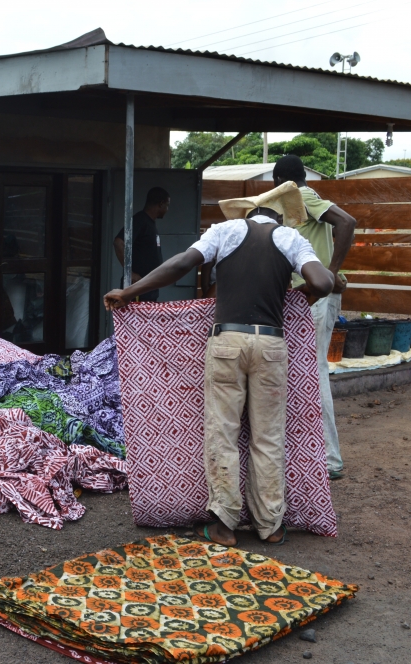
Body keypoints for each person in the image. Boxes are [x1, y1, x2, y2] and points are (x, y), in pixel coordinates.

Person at [104, 182, 334, 547]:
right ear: (279, 216)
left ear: (248, 211)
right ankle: (270, 524)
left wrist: (128, 292)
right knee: (268, 436)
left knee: (223, 432)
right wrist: (309, 292)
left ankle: (224, 524)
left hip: (227, 342)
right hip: (272, 344)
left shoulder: (225, 231)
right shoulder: (291, 239)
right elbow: (323, 280)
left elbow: (180, 264)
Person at [271, 155, 356, 481]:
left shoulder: (301, 197)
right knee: (305, 371)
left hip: (317, 297)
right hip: (307, 298)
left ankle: (331, 460)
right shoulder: (298, 202)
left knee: (314, 371)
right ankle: (315, 454)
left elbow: (347, 222)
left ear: (280, 180)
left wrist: (330, 274)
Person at [113, 187, 171, 302]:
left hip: (148, 287)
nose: (167, 209)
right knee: (136, 319)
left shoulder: (150, 223)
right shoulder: (140, 220)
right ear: (161, 204)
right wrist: (130, 273)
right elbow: (118, 242)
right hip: (137, 288)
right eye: (167, 205)